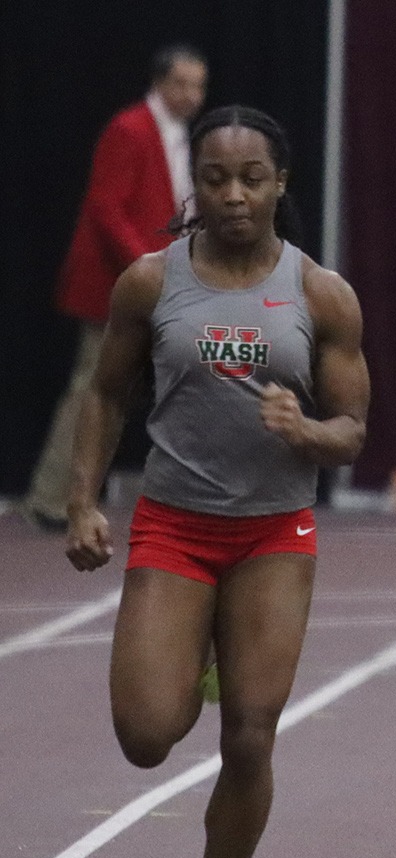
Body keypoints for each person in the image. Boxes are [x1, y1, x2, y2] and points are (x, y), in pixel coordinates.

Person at [64, 106, 370, 858]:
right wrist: (85, 501)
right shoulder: (151, 284)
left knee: (249, 735)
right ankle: (196, 650)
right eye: (215, 179)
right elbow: (106, 394)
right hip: (175, 524)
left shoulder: (320, 295)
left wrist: (308, 432)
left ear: (280, 185)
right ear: (192, 186)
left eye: (251, 179)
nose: (233, 195)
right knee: (146, 736)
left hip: (275, 532)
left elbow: (353, 428)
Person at [24, 44, 208, 530]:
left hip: (152, 281)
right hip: (114, 283)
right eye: (184, 84)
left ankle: (166, 493)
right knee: (93, 385)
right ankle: (50, 498)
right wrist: (147, 266)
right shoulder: (129, 129)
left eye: (199, 85)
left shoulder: (177, 134)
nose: (193, 95)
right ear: (160, 83)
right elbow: (106, 208)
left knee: (140, 387)